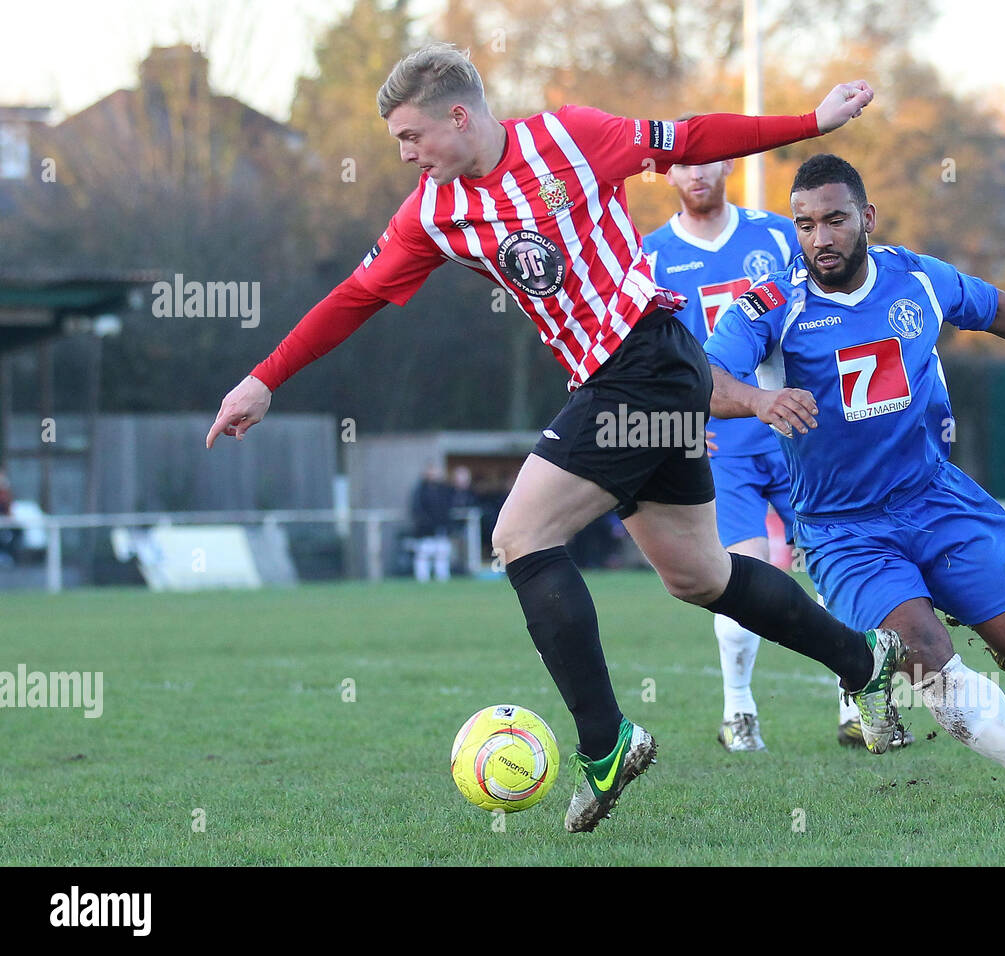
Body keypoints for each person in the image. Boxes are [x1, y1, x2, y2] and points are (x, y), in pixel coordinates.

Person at [206, 44, 902, 833]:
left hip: (644, 356)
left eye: (411, 137)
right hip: (638, 381)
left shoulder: (571, 139)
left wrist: (810, 120)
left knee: (520, 534)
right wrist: (265, 377)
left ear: (458, 116)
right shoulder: (433, 211)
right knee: (700, 576)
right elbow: (357, 294)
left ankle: (607, 744)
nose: (405, 155)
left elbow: (692, 137)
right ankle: (863, 659)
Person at [704, 154, 1005, 808]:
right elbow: (705, 374)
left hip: (935, 498)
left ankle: (955, 599)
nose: (821, 238)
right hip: (844, 530)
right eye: (806, 224)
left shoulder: (917, 279)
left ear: (866, 217)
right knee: (924, 651)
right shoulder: (772, 306)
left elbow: (996, 308)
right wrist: (756, 402)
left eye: (836, 220)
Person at [642, 159, 910, 753]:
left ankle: (853, 700)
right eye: (683, 166)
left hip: (800, 435)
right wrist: (673, 422)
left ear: (728, 165)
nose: (697, 177)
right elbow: (643, 348)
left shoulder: (775, 232)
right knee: (745, 572)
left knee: (836, 566)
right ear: (666, 176)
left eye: (707, 163)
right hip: (723, 446)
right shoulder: (652, 254)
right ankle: (739, 710)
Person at [411, 462, 455, 582]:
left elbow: (447, 506)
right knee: (424, 553)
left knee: (442, 553)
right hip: (425, 529)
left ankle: (442, 577)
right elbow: (417, 509)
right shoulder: (420, 490)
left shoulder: (442, 489)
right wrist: (424, 523)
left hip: (441, 527)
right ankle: (422, 578)